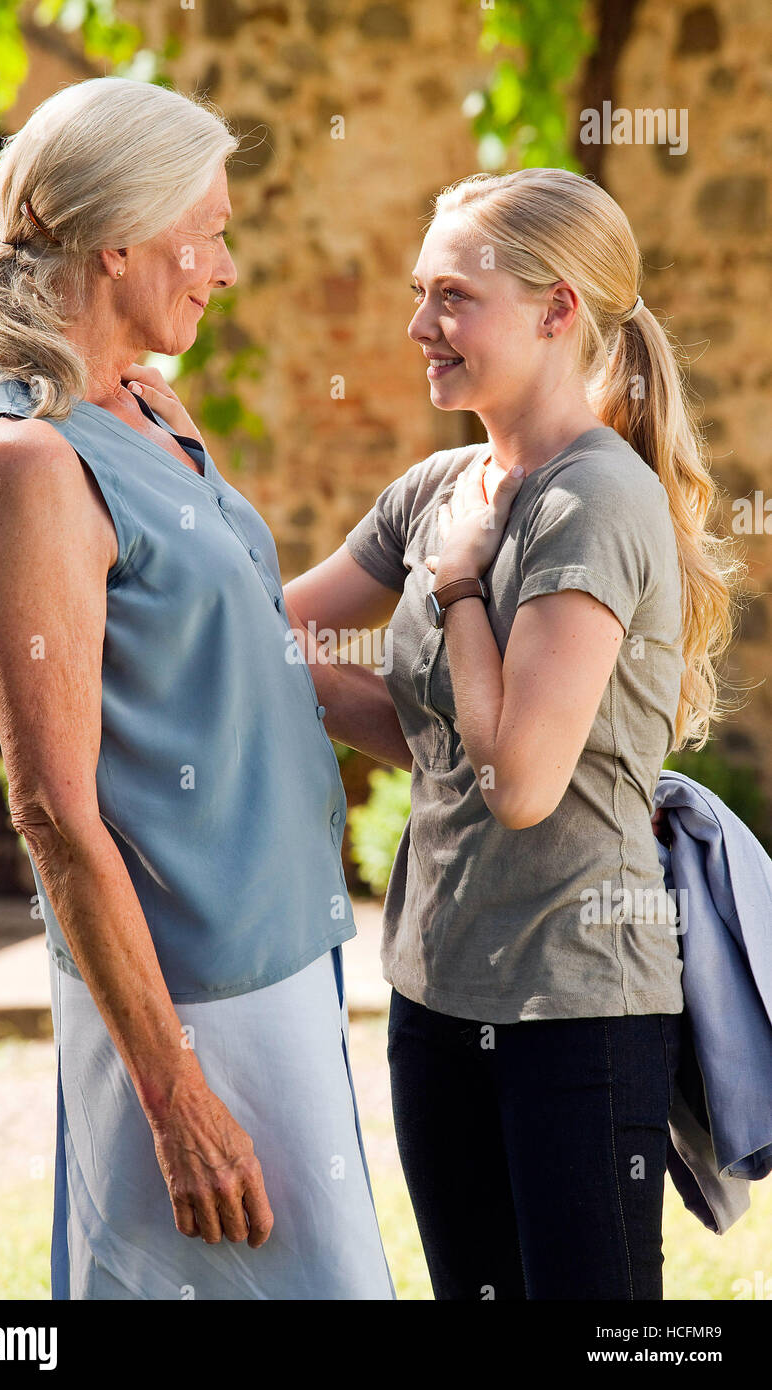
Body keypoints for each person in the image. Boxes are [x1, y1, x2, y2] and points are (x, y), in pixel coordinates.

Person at [0, 76, 402, 1301]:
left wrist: (466, 731)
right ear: (119, 237)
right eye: (213, 229)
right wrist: (176, 1089)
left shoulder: (140, 406)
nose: (226, 266)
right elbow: (52, 807)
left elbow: (241, 649)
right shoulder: (28, 459)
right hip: (194, 998)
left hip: (283, 960)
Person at [284, 168, 743, 1299]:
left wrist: (453, 590)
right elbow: (283, 633)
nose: (415, 326)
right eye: (415, 291)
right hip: (436, 991)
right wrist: (163, 473)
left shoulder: (592, 498)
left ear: (556, 312)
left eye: (452, 295)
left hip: (572, 1010)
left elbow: (521, 780)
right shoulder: (441, 486)